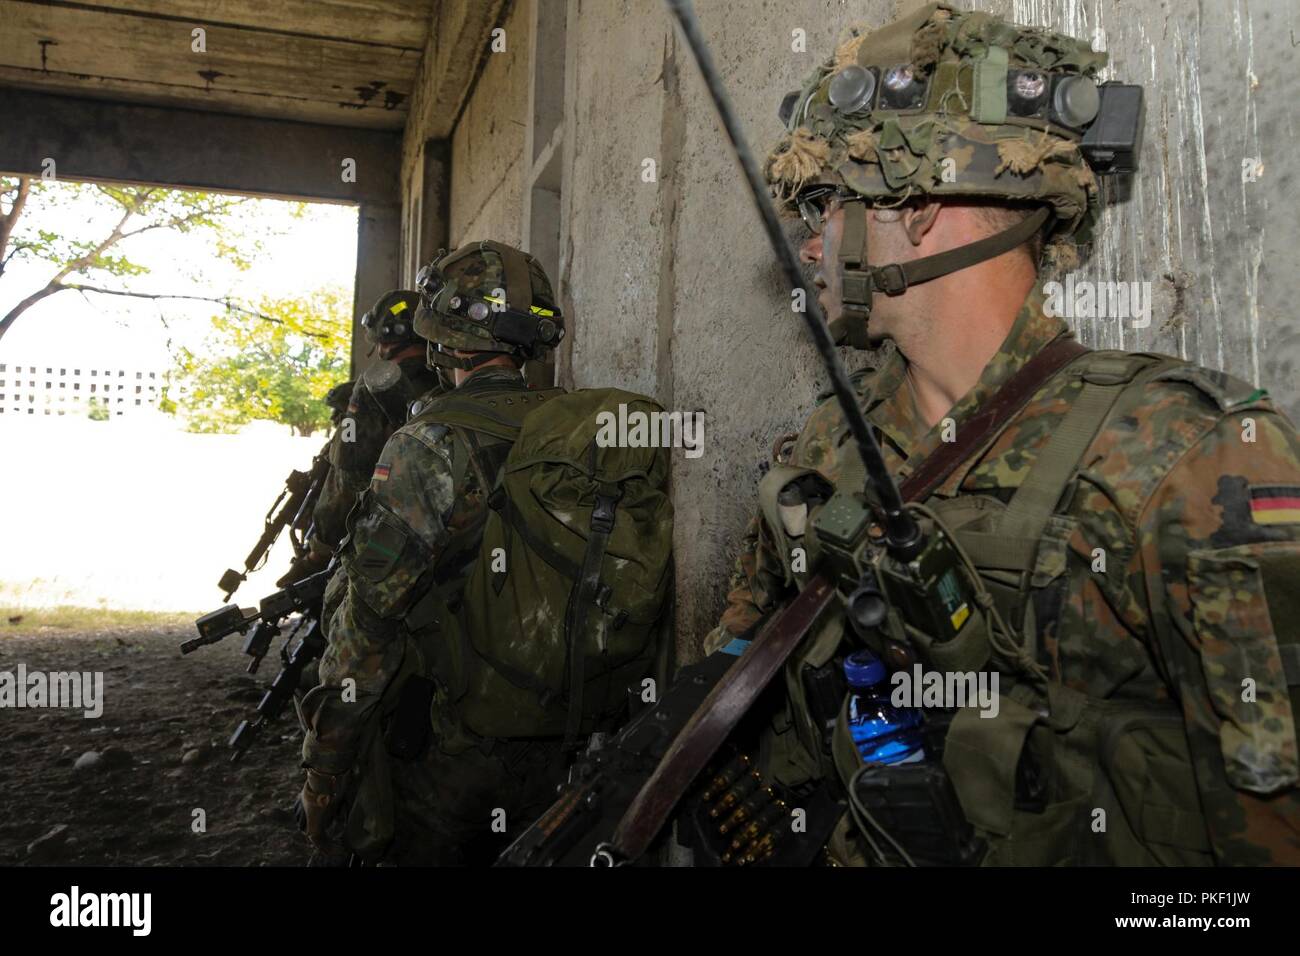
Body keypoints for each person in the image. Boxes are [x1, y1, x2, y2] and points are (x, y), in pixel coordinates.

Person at [704, 2, 1300, 865]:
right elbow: (742, 669)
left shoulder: (1185, 456)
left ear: (913, 210)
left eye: (827, 201)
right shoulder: (833, 444)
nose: (808, 241)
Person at [298, 241, 674, 864]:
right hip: (584, 744)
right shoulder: (578, 431)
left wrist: (326, 767)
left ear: (442, 340)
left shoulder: (426, 445)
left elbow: (367, 629)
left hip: (455, 752)